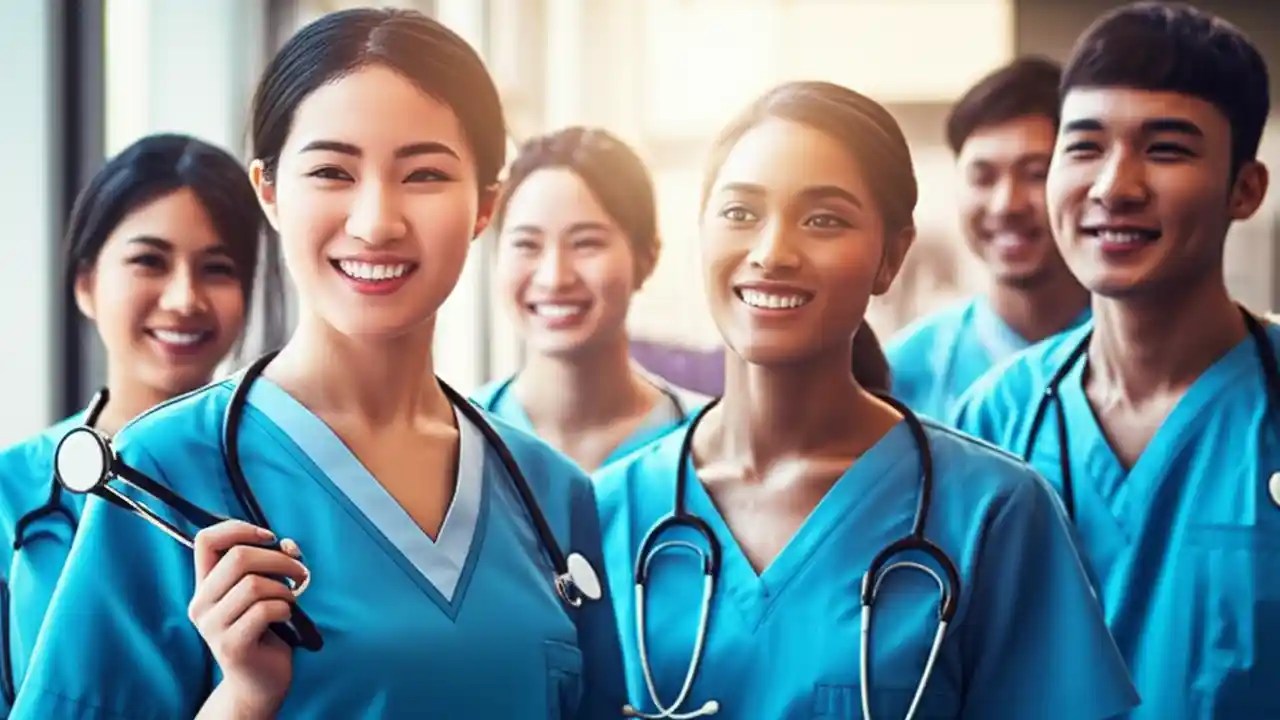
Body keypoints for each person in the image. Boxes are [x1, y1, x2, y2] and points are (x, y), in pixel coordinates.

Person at [12, 9, 624, 719]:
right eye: (333, 170)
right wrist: (241, 699)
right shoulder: (156, 476)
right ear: (269, 192)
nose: (376, 221)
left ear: (485, 205)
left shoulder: (552, 495)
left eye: (424, 174)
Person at [595, 80, 1137, 719]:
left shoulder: (992, 513)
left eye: (823, 219)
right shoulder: (610, 510)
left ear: (892, 257)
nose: (772, 252)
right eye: (740, 213)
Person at [953, 3, 1276, 717]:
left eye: (1166, 149)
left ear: (1245, 190)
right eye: (1085, 147)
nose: (1113, 187)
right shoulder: (994, 418)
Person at [0, 132, 268, 713]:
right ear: (86, 283)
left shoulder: (282, 479)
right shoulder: (11, 492)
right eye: (149, 260)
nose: (183, 299)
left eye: (217, 269)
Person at [472, 127, 706, 472]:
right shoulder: (458, 441)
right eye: (527, 245)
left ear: (647, 257)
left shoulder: (705, 446)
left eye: (586, 244)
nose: (554, 277)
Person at [886, 57, 1090, 420]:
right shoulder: (906, 371)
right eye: (983, 177)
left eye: (1035, 174)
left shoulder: (1137, 358)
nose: (1006, 204)